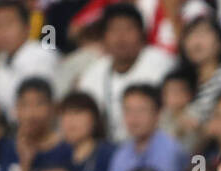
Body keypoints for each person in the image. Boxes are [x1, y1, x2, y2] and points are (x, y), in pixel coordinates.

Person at [75, 3, 176, 142]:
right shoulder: (93, 73)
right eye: (114, 30)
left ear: (142, 34)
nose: (121, 37)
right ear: (103, 38)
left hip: (155, 141)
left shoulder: (161, 63)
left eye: (128, 29)